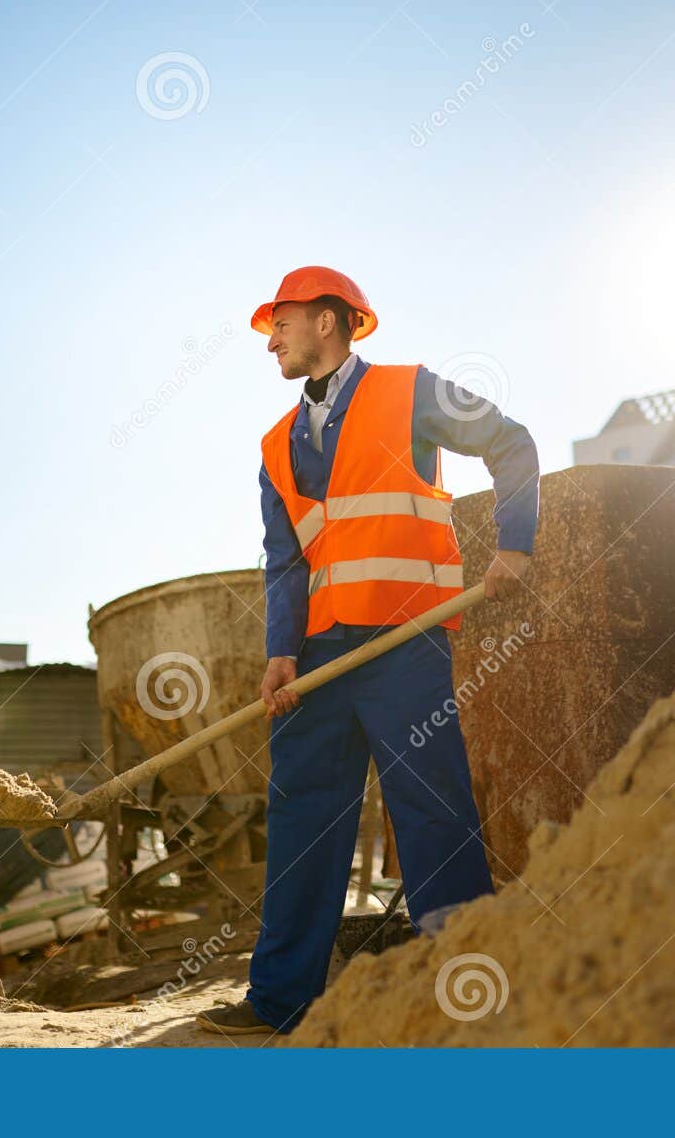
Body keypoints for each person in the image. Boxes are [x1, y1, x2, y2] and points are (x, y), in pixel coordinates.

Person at [195, 266, 540, 1036]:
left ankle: (467, 991)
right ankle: (279, 1000)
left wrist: (515, 544)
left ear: (326, 320)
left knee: (432, 808)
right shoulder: (273, 446)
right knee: (302, 819)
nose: (271, 339)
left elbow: (511, 444)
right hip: (318, 659)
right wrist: (280, 652)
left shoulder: (410, 391)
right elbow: (284, 560)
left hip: (404, 642)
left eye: (278, 322)